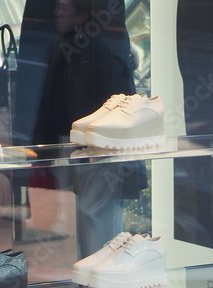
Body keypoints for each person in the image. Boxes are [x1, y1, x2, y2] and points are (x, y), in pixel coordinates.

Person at [33, 0, 139, 256]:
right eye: (57, 7)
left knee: (93, 213)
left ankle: (101, 269)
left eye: (64, 8)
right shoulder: (65, 48)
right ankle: (91, 269)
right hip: (75, 140)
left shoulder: (102, 50)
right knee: (81, 214)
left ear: (82, 15)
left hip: (97, 142)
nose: (57, 13)